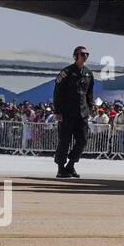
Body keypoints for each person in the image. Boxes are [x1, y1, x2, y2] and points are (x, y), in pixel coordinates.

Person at [52, 46, 95, 178]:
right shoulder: (66, 72)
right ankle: (61, 169)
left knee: (82, 140)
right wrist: (57, 111)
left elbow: (89, 94)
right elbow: (57, 93)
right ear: (76, 55)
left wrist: (90, 108)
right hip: (66, 113)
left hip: (82, 113)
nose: (85, 56)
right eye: (82, 54)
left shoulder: (88, 73)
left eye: (87, 54)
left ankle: (70, 165)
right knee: (64, 141)